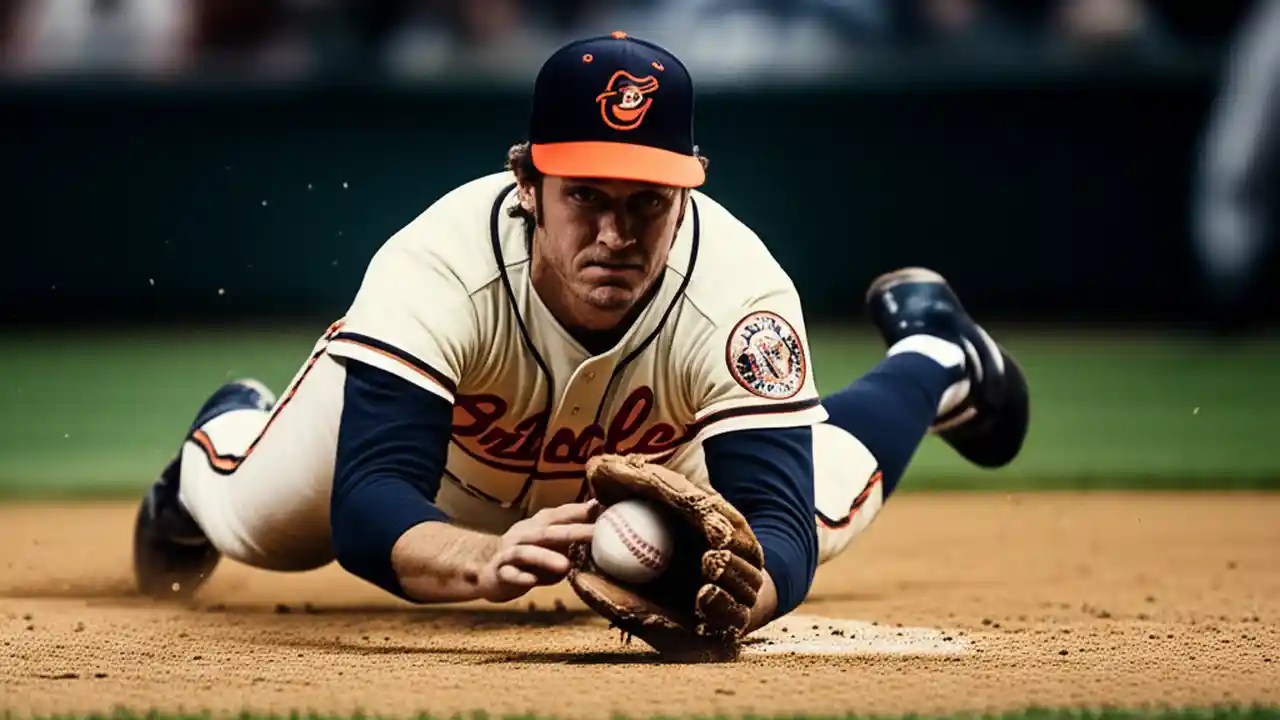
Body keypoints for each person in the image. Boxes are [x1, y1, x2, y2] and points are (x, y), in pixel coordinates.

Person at [133, 32, 1029, 635]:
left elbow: (783, 526)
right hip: (433, 463)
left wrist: (737, 602)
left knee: (809, 514)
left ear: (691, 187)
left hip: (654, 463)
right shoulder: (439, 264)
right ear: (527, 183)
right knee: (261, 531)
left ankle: (938, 354)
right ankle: (222, 437)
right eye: (586, 195)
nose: (615, 233)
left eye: (648, 202)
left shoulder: (739, 292)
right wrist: (481, 557)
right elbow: (370, 506)